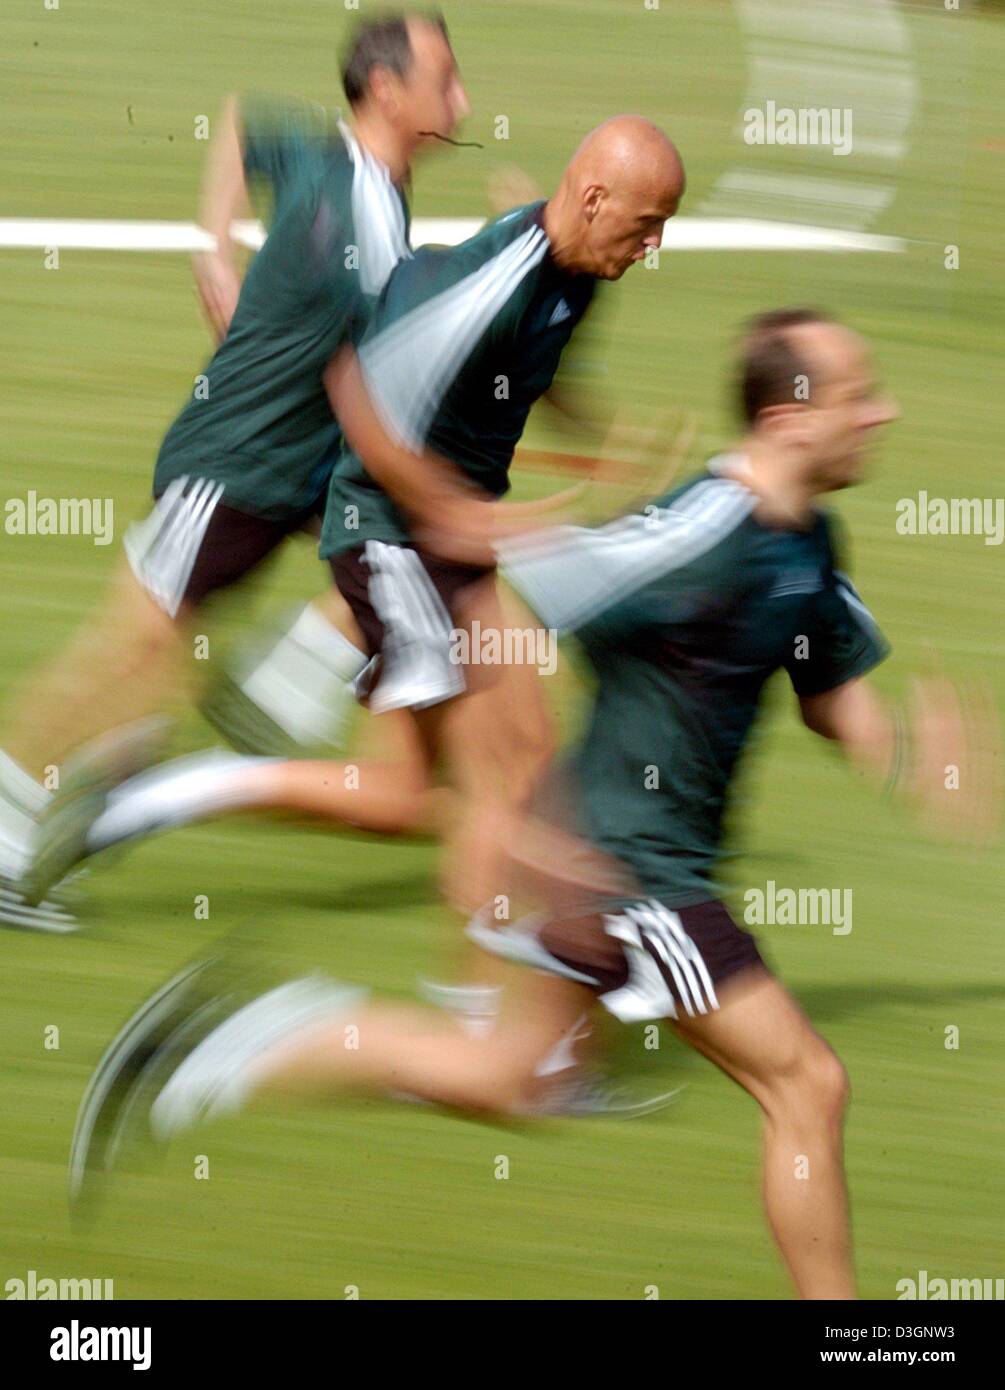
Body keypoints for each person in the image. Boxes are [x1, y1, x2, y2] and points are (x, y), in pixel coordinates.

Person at [68, 309, 998, 1297]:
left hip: (607, 861)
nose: (883, 412)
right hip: (631, 866)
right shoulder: (702, 531)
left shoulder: (808, 541)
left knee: (517, 1080)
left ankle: (220, 1046)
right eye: (859, 397)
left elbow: (828, 694)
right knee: (807, 1084)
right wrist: (517, 810)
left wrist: (911, 758)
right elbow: (506, 596)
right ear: (789, 418)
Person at [0, 10, 470, 924]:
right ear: (386, 90)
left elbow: (242, 121)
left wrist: (210, 244)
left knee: (166, 676)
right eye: (444, 79)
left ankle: (218, 725)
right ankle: (15, 827)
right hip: (226, 472)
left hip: (282, 481)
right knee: (128, 652)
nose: (461, 98)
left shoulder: (343, 163)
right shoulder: (359, 227)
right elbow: (364, 395)